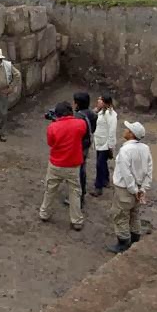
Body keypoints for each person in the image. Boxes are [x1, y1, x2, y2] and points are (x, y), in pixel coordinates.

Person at [39, 101, 87, 232]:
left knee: (50, 189)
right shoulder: (80, 124)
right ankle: (76, 220)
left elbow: (51, 143)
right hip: (73, 165)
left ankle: (44, 213)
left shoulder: (53, 127)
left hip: (56, 164)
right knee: (75, 193)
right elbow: (82, 133)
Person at [107, 121, 153, 254]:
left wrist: (133, 190)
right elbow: (149, 170)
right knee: (134, 214)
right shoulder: (145, 148)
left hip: (125, 190)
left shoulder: (125, 150)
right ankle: (135, 240)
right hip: (138, 187)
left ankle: (123, 243)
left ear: (131, 134)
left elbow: (126, 173)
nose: (125, 130)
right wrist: (143, 189)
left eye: (127, 129)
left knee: (120, 215)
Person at [90, 93, 117, 197]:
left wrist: (110, 146)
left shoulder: (111, 115)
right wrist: (96, 110)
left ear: (105, 102)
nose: (98, 100)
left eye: (100, 99)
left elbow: (112, 131)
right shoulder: (101, 111)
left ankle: (98, 187)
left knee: (99, 164)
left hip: (105, 144)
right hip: (100, 142)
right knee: (102, 163)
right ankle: (105, 180)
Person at [72, 92, 97, 206]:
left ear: (77, 104)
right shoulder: (92, 114)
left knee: (77, 171)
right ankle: (82, 193)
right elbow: (93, 130)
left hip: (79, 146)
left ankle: (79, 197)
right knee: (82, 168)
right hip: (86, 145)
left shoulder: (78, 117)